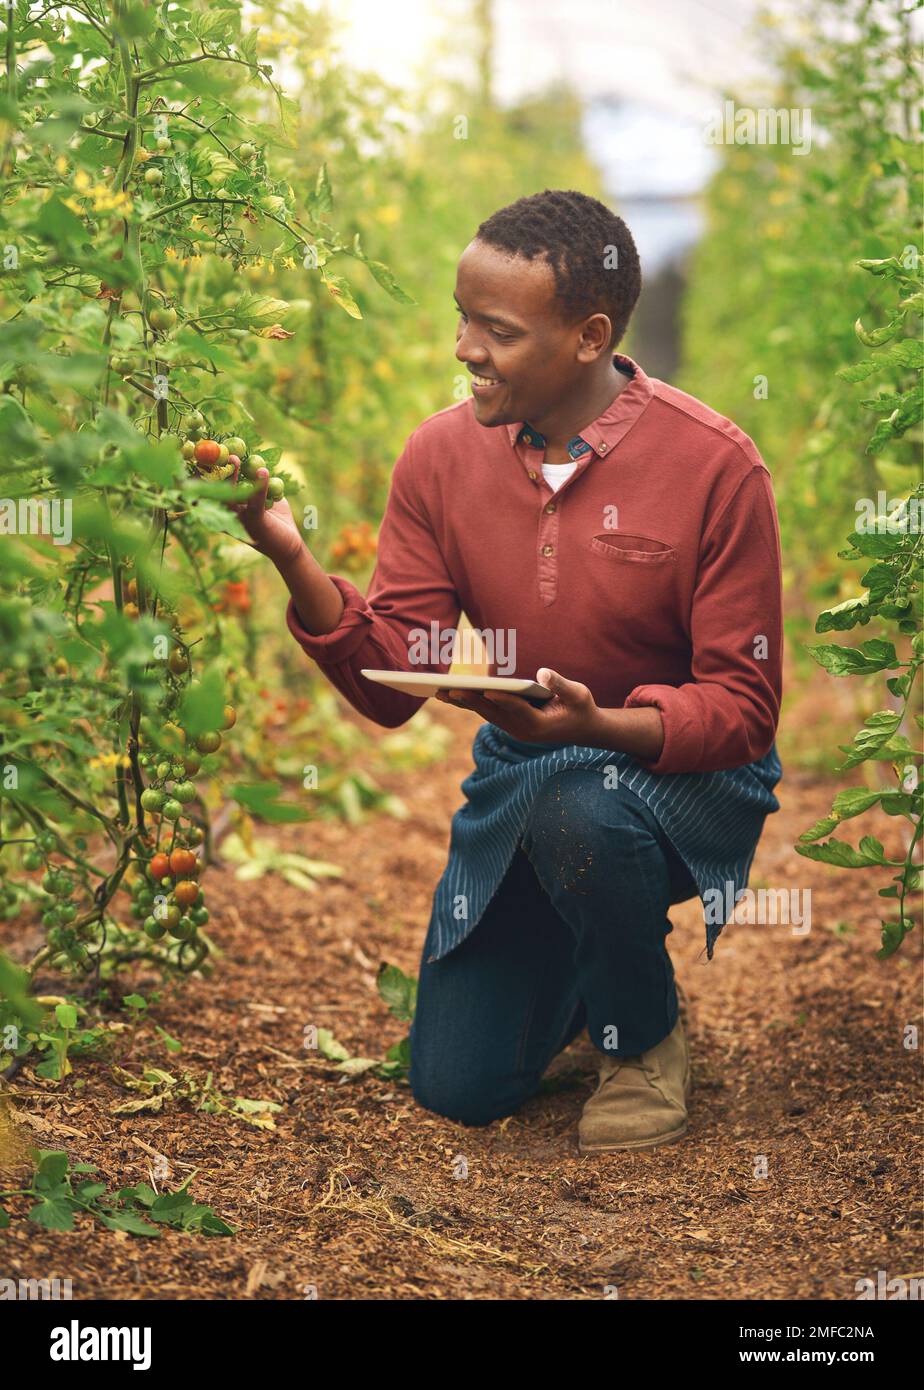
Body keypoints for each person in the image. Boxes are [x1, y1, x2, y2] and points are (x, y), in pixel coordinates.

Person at [233, 188, 784, 1152]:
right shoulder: (442, 458)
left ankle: (641, 1034)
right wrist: (289, 556)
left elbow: (743, 708)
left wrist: (597, 728)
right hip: (526, 775)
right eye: (462, 319)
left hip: (680, 779)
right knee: (460, 1085)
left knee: (582, 804)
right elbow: (392, 677)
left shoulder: (715, 467)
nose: (463, 350)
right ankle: (586, 947)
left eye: (495, 330)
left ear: (588, 336)